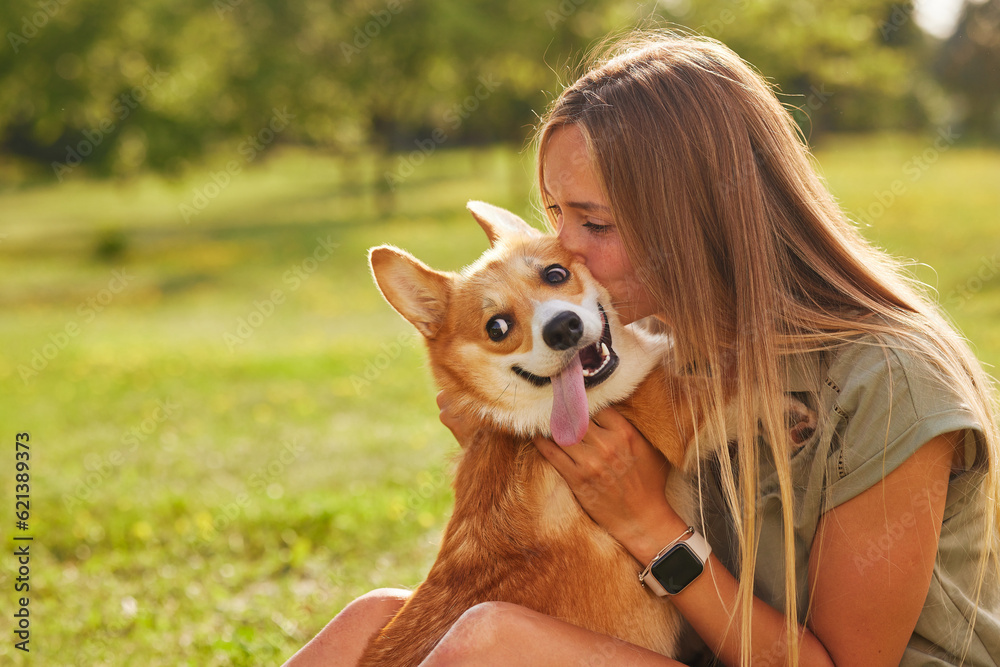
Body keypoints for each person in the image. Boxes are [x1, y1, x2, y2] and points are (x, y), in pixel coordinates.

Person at [285, 31, 1000, 666]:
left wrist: (649, 524)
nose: (562, 249)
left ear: (697, 218)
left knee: (487, 641)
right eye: (556, 214)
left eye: (592, 221)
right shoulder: (652, 347)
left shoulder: (890, 380)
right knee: (373, 619)